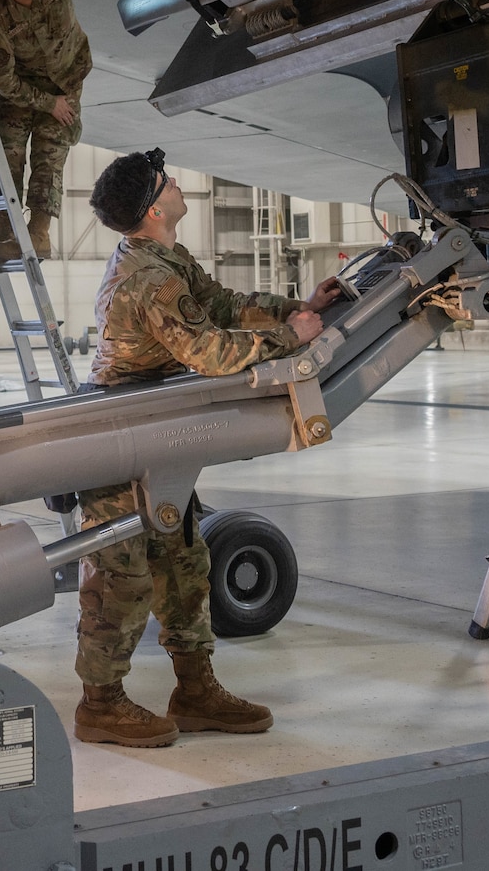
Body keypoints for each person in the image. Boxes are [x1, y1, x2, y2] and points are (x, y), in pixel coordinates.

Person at [71, 148, 346, 747]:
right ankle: (101, 704)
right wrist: (287, 338)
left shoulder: (164, 258)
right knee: (121, 578)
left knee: (184, 564)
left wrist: (301, 309)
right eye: (167, 183)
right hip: (121, 443)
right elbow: (211, 353)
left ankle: (195, 690)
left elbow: (220, 306)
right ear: (153, 210)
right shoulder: (149, 278)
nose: (176, 185)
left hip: (154, 431)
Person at [0, 0, 104, 267]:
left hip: (66, 85)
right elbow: (2, 78)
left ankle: (39, 234)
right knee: (8, 158)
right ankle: (7, 232)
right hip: (20, 94)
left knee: (50, 157)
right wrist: (46, 103)